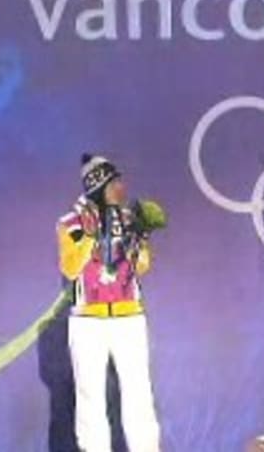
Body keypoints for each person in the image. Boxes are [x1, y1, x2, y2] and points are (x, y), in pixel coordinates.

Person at [57, 154, 161, 452]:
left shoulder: (130, 219)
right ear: (99, 185)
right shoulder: (71, 223)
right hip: (87, 321)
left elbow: (142, 267)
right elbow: (70, 267)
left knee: (139, 393)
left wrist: (140, 241)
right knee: (90, 397)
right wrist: (89, 237)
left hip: (129, 318)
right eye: (115, 182)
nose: (122, 188)